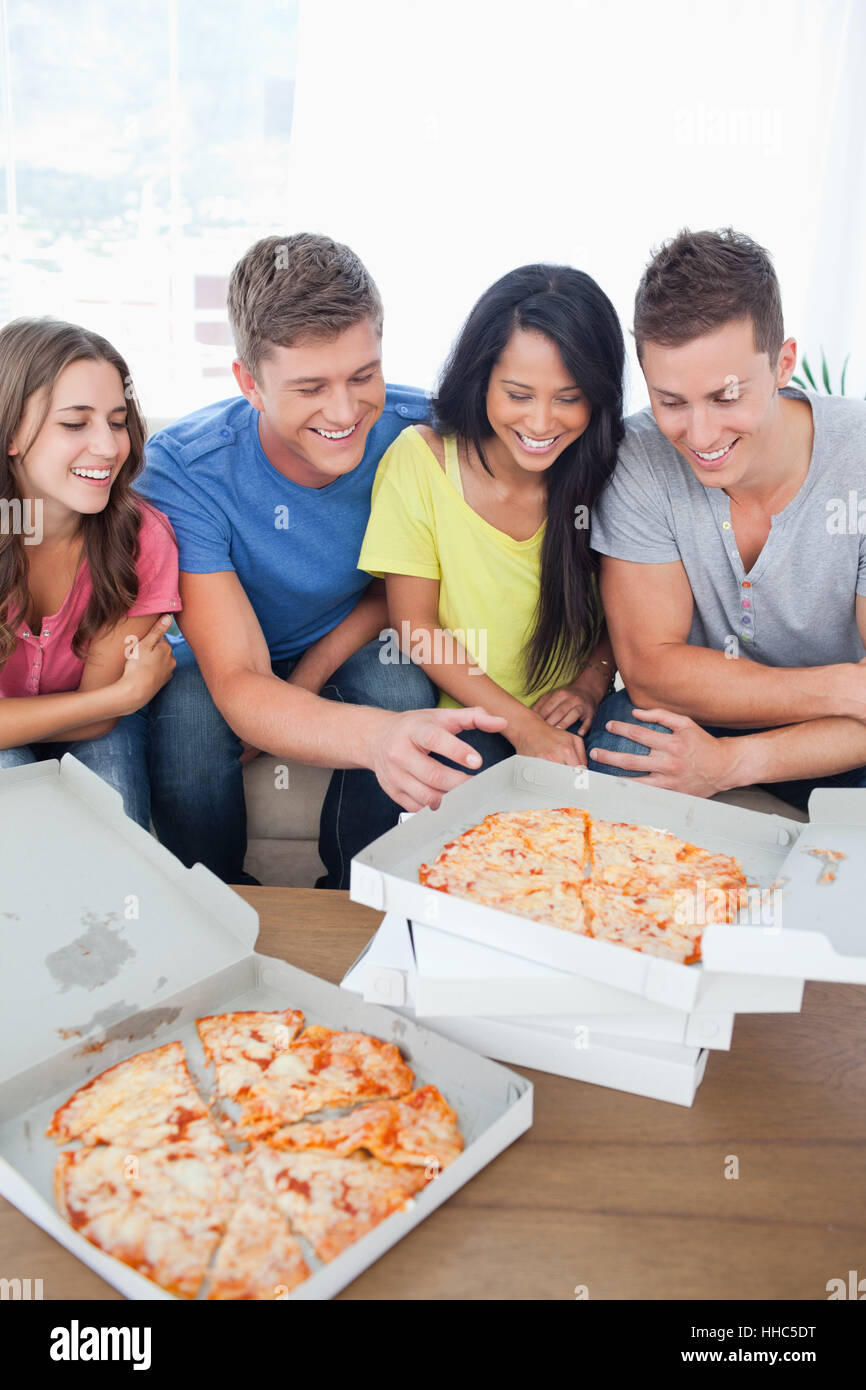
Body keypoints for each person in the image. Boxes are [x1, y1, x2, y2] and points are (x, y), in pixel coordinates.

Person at [139, 233, 505, 888]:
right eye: (310, 387)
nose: (345, 411)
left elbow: (397, 588)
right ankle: (213, 892)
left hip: (346, 631)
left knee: (399, 688)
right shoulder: (184, 470)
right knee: (190, 724)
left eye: (363, 376)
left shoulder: (420, 433)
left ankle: (353, 894)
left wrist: (310, 678)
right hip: (222, 654)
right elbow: (241, 676)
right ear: (249, 383)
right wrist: (363, 736)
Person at [588, 227, 866, 810]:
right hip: (725, 715)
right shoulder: (639, 455)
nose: (702, 434)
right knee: (623, 740)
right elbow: (650, 671)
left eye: (725, 396)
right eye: (671, 402)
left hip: (843, 743)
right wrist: (841, 687)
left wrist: (735, 764)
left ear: (783, 363)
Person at [358, 263, 625, 771]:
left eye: (568, 399)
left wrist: (590, 684)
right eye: (518, 395)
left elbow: (624, 611)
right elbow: (414, 624)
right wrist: (523, 729)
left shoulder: (609, 470)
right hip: (465, 716)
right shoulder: (422, 459)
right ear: (482, 380)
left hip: (567, 712)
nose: (541, 423)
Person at [0, 318, 179, 824]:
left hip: (94, 723)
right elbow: (106, 701)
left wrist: (111, 703)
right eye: (75, 424)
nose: (107, 447)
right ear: (11, 432)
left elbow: (99, 718)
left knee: (115, 824)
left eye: (117, 421)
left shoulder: (143, 537)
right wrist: (124, 694)